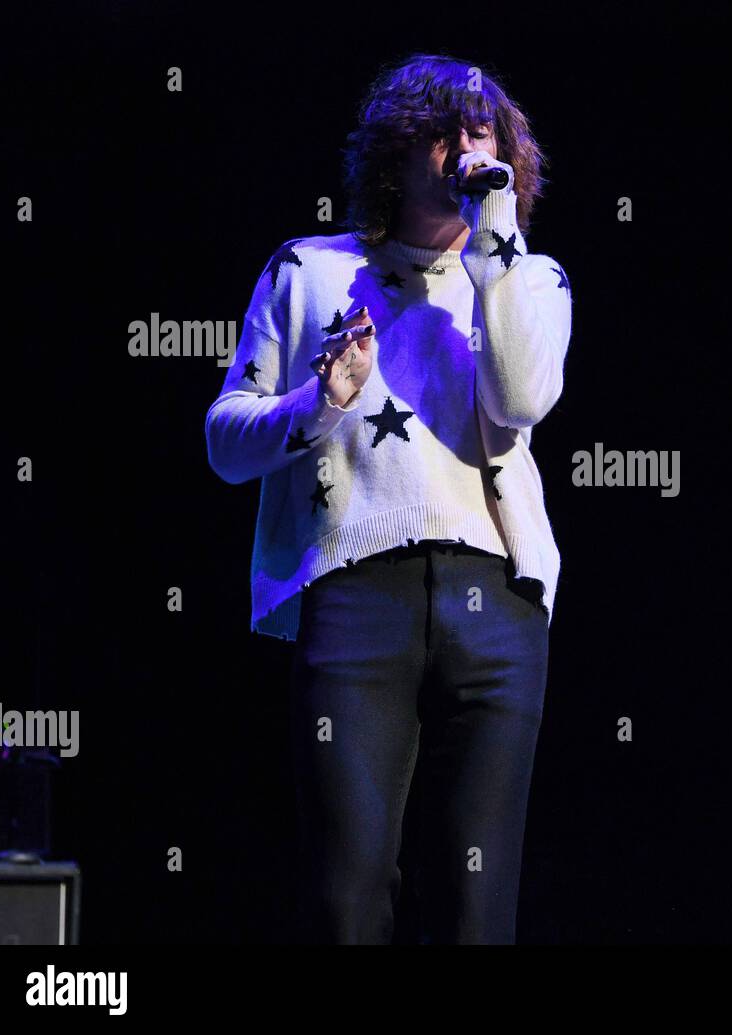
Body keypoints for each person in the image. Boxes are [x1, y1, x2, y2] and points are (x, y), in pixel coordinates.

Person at [204, 53, 572, 944]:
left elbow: (520, 398)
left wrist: (496, 247)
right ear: (397, 150)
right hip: (358, 592)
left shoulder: (530, 278)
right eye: (444, 130)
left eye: (483, 132)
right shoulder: (309, 268)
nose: (465, 148)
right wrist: (321, 401)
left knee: (477, 908)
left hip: (499, 605)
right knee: (347, 892)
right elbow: (225, 438)